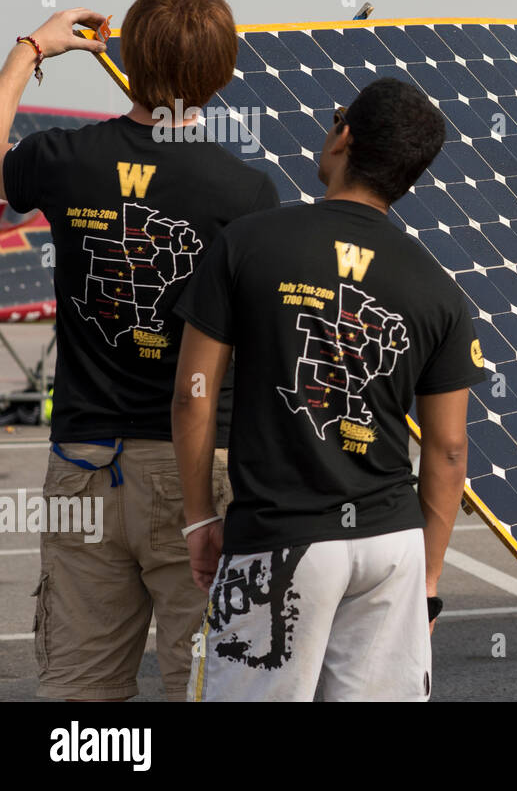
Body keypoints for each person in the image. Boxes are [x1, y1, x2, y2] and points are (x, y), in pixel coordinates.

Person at [0, 0, 278, 701]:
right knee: (208, 682)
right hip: (197, 471)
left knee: (81, 694)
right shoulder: (245, 194)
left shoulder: (65, 158)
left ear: (127, 58)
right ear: (221, 74)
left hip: (83, 465)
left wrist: (30, 50)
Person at [172, 77, 485, 701]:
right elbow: (449, 451)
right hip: (390, 545)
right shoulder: (441, 289)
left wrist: (199, 517)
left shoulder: (249, 242)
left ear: (344, 135)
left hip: (279, 540)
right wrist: (426, 578)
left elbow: (192, 393)